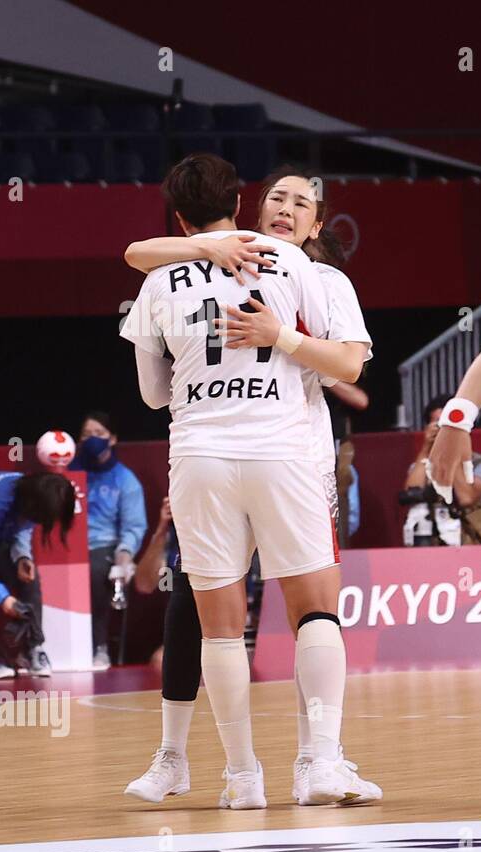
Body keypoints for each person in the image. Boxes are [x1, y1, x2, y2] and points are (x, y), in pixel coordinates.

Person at [119, 153, 373, 810]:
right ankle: (305, 760)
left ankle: (249, 775)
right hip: (280, 451)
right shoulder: (288, 264)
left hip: (214, 452)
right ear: (245, 206)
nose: (286, 209)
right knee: (307, 611)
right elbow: (352, 365)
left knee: (228, 626)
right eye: (276, 198)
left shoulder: (164, 279)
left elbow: (151, 393)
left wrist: (270, 338)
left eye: (300, 201)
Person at [0, 471, 74, 679]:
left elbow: (24, 528)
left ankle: (34, 648)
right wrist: (2, 597)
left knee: (30, 579)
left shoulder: (37, 493)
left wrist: (22, 557)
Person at [71, 411, 147, 669]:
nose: (93, 439)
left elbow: (133, 527)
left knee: (95, 572)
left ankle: (98, 646)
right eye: (87, 435)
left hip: (102, 546)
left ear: (112, 439)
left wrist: (123, 559)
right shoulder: (67, 474)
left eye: (99, 434)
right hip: (66, 547)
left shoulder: (125, 480)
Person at [404, 396, 481, 546]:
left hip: (471, 543)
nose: (443, 430)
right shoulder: (423, 463)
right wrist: (426, 449)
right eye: (438, 424)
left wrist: (453, 448)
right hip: (430, 544)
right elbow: (411, 493)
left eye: (448, 424)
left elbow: (466, 498)